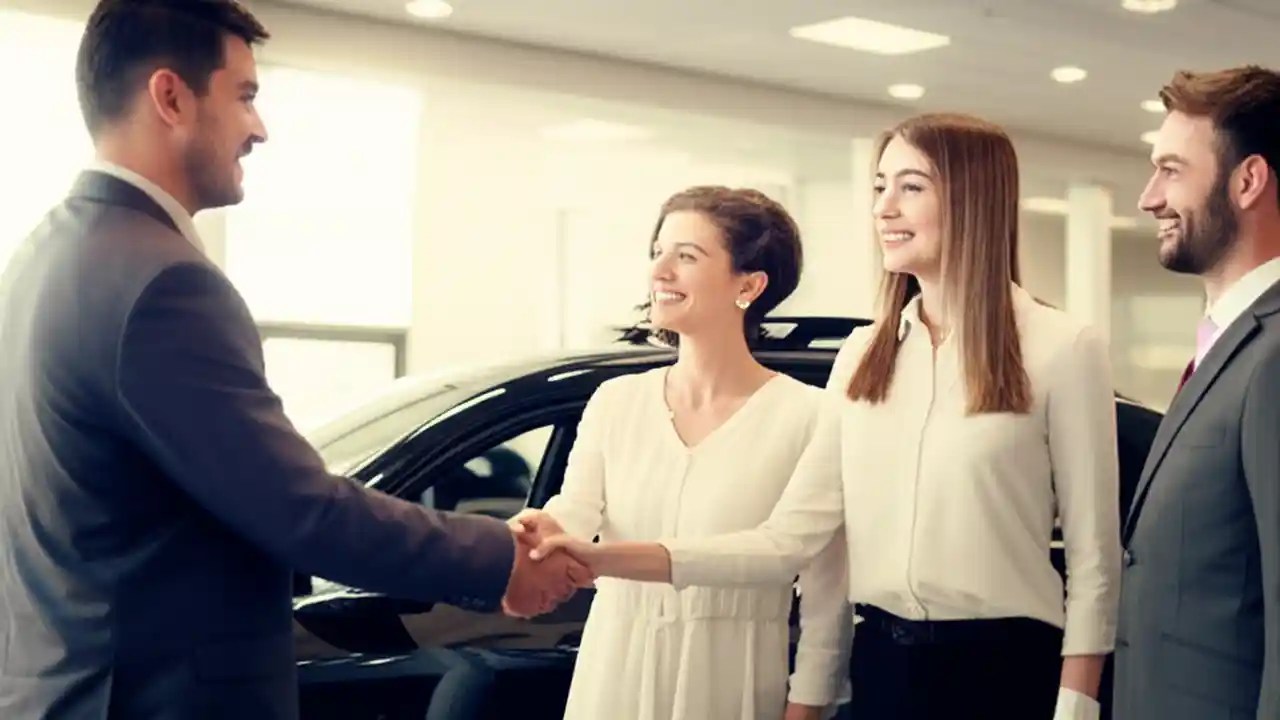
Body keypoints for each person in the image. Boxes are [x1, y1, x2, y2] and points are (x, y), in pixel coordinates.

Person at [0, 2, 584, 718]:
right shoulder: (163, 282)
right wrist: (502, 560)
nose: (259, 128)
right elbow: (302, 511)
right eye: (244, 95)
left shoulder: (43, 257)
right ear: (171, 97)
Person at [525, 113, 1122, 720]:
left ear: (975, 199)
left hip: (1007, 670)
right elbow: (787, 543)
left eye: (910, 187)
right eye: (879, 187)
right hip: (883, 671)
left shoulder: (1064, 348)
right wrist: (603, 558)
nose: (884, 208)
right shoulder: (864, 356)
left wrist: (1076, 705)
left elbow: (1094, 558)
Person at [512, 186, 852, 720]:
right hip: (615, 666)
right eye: (657, 253)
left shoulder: (813, 415)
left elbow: (820, 583)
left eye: (686, 256)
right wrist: (536, 532)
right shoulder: (616, 401)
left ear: (750, 284)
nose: (660, 271)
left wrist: (807, 703)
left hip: (731, 676)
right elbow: (573, 512)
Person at [1114, 65, 1280, 720]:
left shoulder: (1273, 356)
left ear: (1248, 181)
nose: (1148, 197)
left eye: (1172, 170)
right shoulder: (1230, 339)